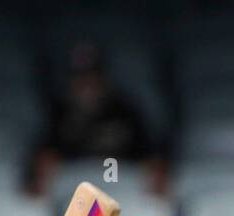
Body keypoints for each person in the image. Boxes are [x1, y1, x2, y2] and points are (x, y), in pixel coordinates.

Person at [31, 41, 167, 196]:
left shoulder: (126, 110)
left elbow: (152, 157)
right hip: (75, 191)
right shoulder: (59, 112)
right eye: (80, 78)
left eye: (92, 77)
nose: (87, 85)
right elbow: (44, 159)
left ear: (104, 78)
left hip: (120, 187)